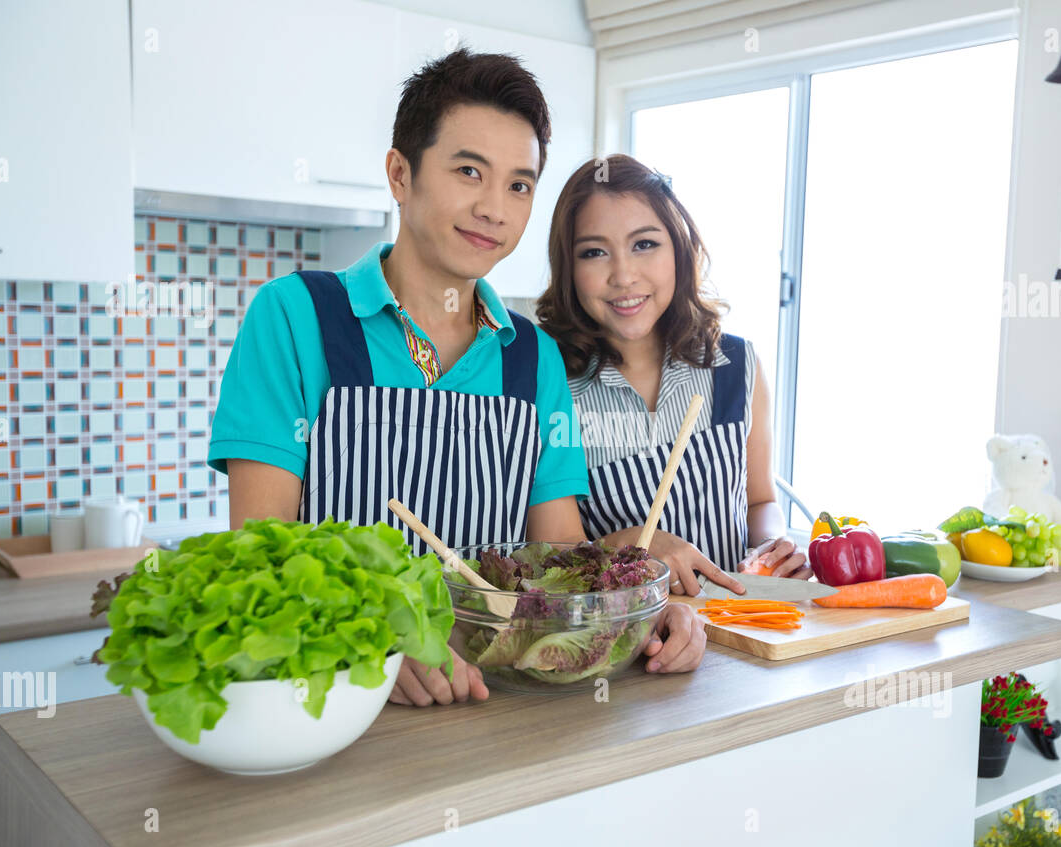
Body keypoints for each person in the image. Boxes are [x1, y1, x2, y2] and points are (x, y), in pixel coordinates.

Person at [208, 54, 706, 704]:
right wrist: (375, 639)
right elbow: (258, 557)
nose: (494, 209)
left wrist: (637, 613)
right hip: (330, 708)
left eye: (519, 186)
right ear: (400, 174)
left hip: (491, 708)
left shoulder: (530, 357)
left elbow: (558, 559)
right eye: (470, 171)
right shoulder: (296, 316)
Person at [536, 154, 812, 597]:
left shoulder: (736, 366)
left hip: (742, 633)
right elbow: (550, 559)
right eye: (594, 252)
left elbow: (761, 500)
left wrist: (770, 546)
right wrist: (628, 546)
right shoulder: (549, 385)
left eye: (644, 244)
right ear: (569, 269)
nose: (624, 275)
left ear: (679, 250)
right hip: (632, 647)